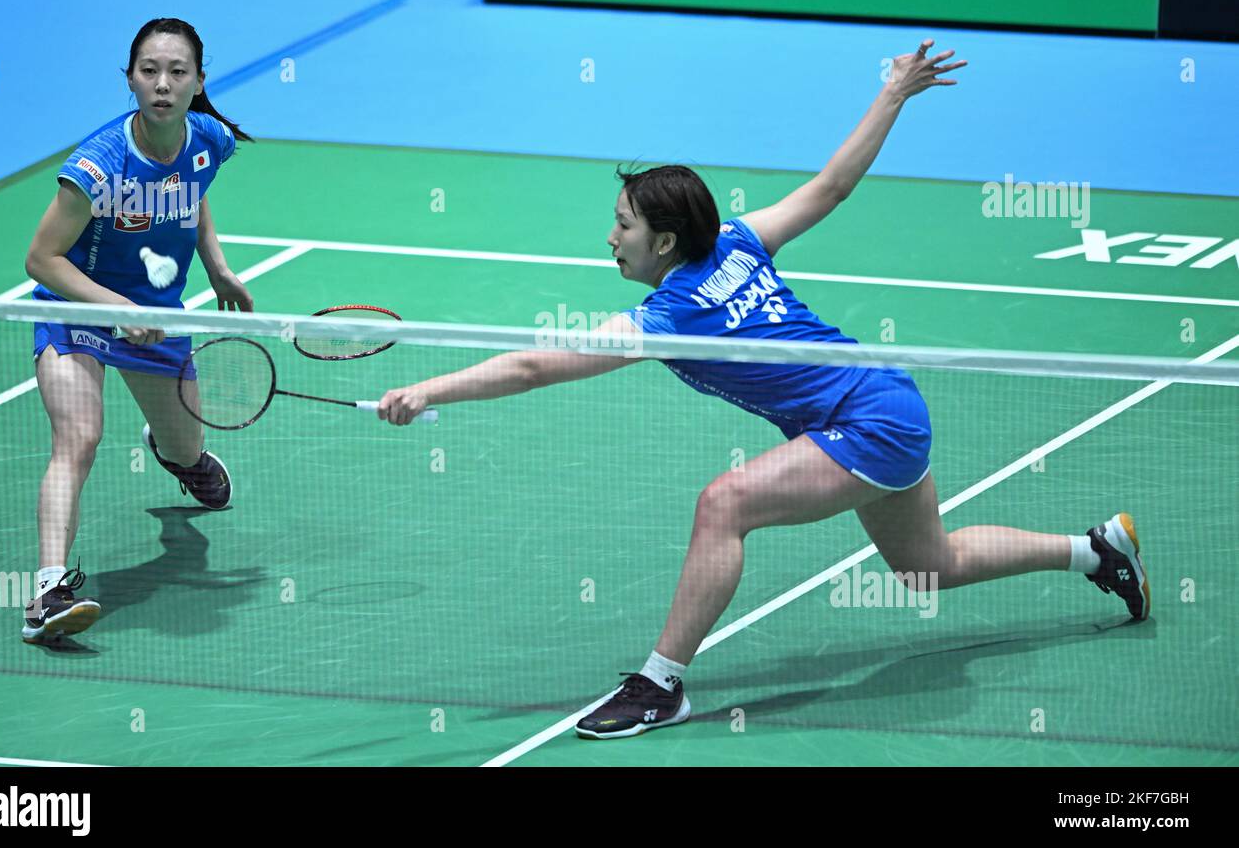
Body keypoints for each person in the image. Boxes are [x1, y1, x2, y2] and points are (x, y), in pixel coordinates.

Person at [376, 40, 1150, 739]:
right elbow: (833, 187)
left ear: (665, 240)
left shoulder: (669, 316)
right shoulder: (741, 238)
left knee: (726, 502)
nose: (609, 237)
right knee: (926, 567)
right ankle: (1095, 552)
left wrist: (429, 386)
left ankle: (660, 684)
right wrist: (894, 93)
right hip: (883, 399)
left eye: (622, 226)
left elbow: (534, 365)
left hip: (868, 419)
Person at [22, 18, 254, 644]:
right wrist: (117, 309)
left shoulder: (209, 139)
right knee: (80, 437)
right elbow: (41, 259)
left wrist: (219, 268)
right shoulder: (97, 166)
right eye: (149, 71)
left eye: (177, 72)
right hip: (78, 313)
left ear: (198, 82)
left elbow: (194, 189)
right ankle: (46, 593)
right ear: (130, 78)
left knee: (187, 451)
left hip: (160, 317)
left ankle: (177, 454)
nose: (162, 84)